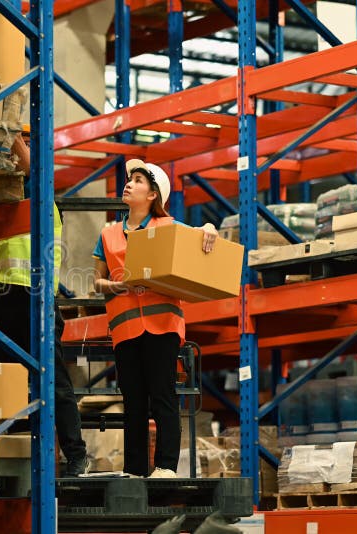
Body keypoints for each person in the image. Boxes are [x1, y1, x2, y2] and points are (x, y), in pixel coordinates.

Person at [92, 159, 217, 478]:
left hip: (162, 327)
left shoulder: (168, 228)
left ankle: (165, 466)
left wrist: (209, 228)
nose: (128, 183)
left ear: (153, 195)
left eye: (138, 180)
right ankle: (133, 469)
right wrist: (116, 285)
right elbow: (97, 281)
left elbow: (203, 235)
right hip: (125, 328)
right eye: (129, 179)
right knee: (133, 400)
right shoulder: (108, 234)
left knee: (162, 395)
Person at [0, 133, 89, 477]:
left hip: (36, 298)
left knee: (53, 380)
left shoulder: (40, 195)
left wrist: (9, 135)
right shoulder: (3, 197)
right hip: (6, 297)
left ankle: (77, 455)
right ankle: (17, 456)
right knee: (8, 379)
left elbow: (33, 168)